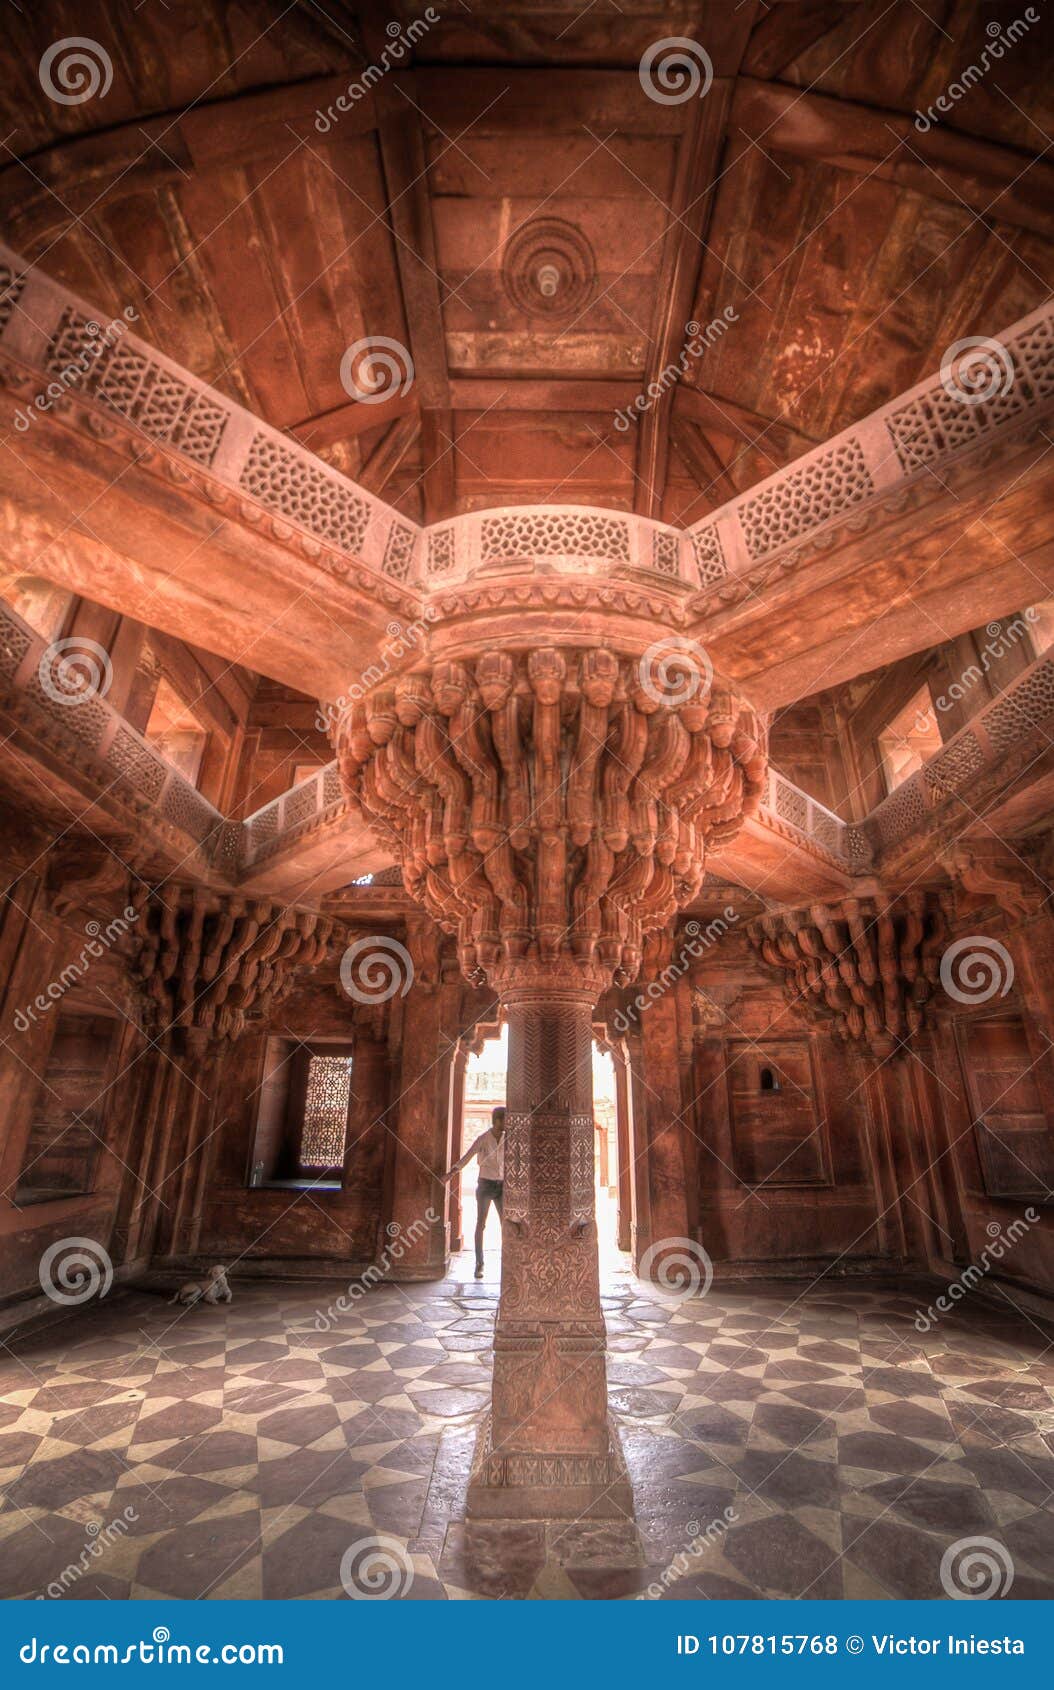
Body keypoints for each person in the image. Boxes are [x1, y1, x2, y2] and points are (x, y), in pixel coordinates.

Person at [441, 1107, 505, 1279]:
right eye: (504, 1119)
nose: (507, 1123)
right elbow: (467, 1157)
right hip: (485, 1185)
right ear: (497, 1120)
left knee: (506, 1226)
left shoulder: (509, 1138)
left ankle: (507, 1264)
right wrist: (450, 1174)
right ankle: (479, 1264)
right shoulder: (483, 1139)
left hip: (502, 1187)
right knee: (481, 1224)